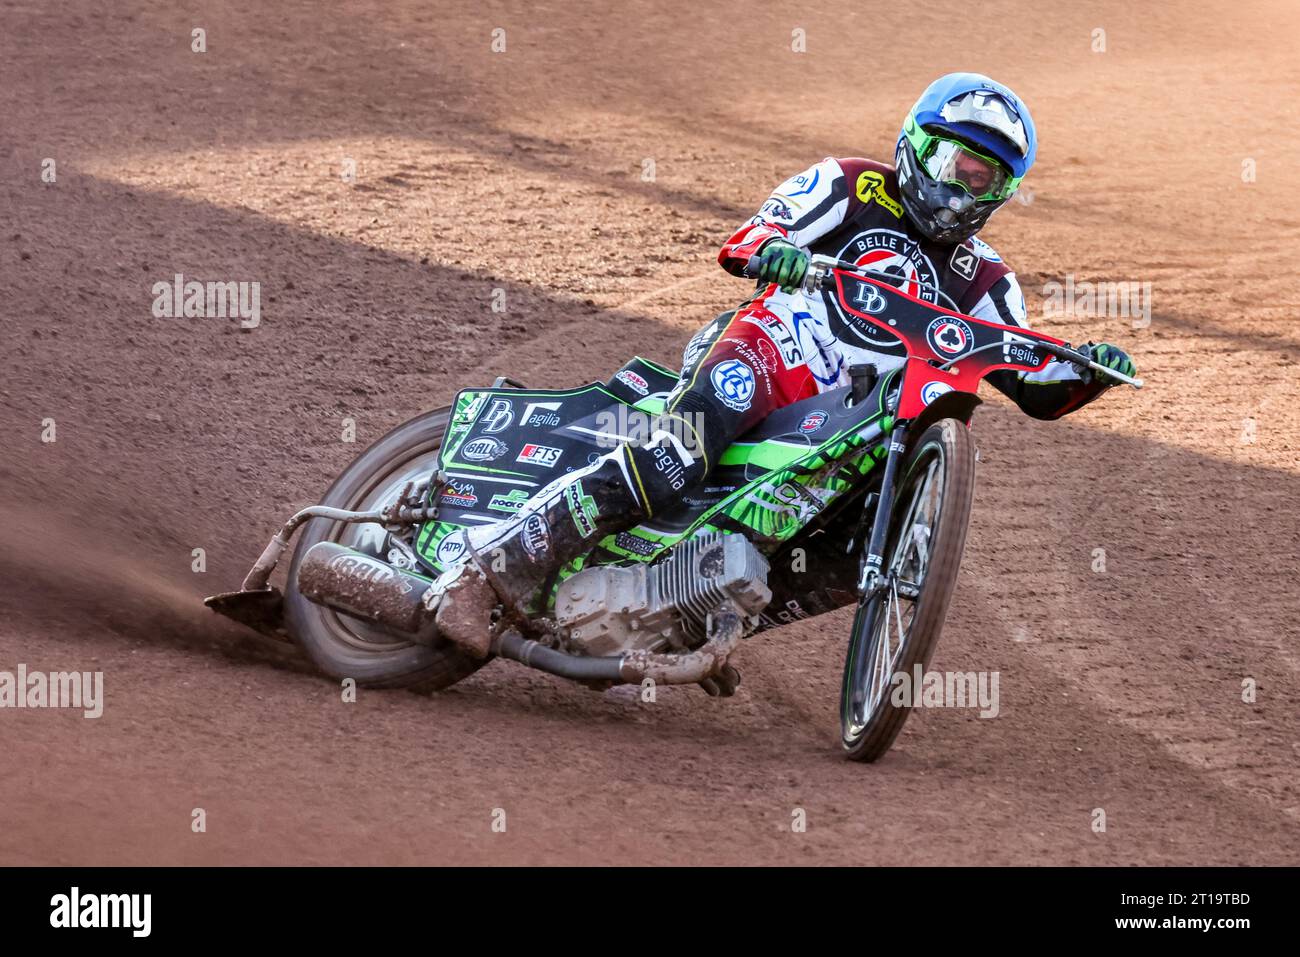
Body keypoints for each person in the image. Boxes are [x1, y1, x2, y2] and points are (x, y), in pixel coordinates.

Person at [428, 72, 1138, 656]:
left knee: (866, 545)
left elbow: (1029, 376)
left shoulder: (987, 279)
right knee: (679, 455)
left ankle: (683, 616)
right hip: (771, 350)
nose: (963, 190)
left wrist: (1084, 373)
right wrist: (777, 250)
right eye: (957, 165)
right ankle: (485, 572)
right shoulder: (853, 185)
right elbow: (753, 236)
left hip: (846, 419)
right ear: (917, 147)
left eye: (984, 180)